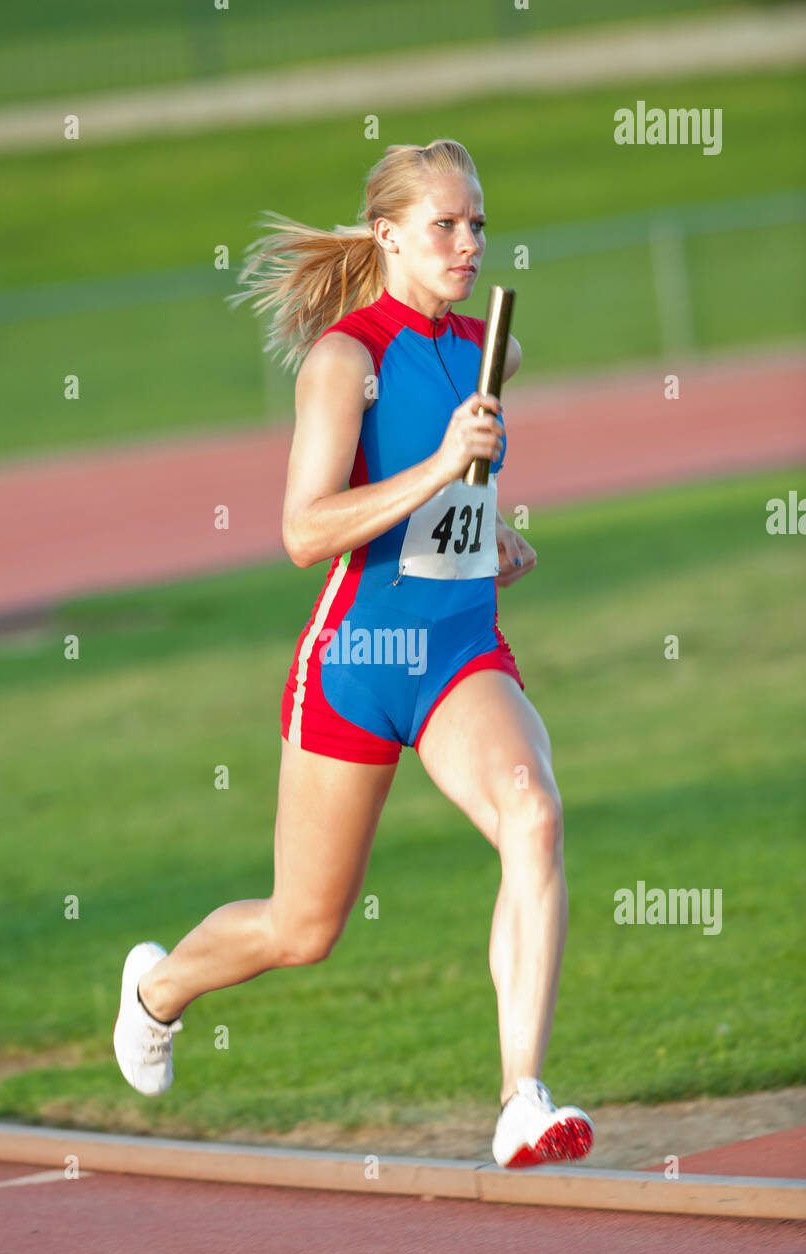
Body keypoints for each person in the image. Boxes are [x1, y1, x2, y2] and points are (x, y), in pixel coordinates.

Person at [113, 139, 593, 1169]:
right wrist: (437, 470)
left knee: (534, 813)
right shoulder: (346, 360)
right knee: (303, 926)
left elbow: (453, 505)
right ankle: (157, 987)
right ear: (387, 235)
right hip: (352, 665)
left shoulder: (491, 347)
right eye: (445, 225)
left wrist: (488, 532)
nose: (469, 242)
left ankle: (522, 1096)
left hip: (461, 653)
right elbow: (303, 532)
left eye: (477, 222)